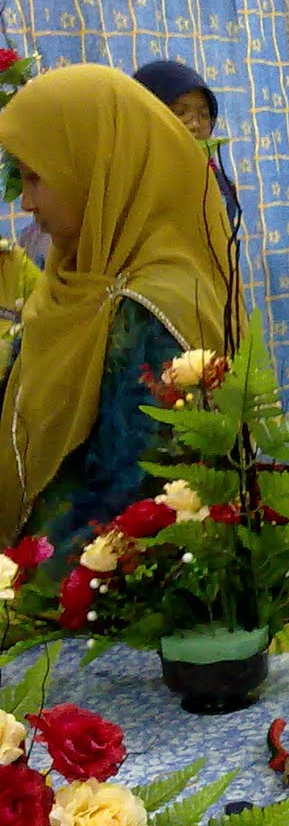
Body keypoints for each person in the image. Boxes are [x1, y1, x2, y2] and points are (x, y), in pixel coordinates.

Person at [0, 64, 230, 557]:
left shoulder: (151, 307)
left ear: (98, 169)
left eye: (37, 178)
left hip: (99, 591)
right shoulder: (71, 276)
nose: (25, 203)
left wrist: (21, 582)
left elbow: (139, 500)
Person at [132, 59, 240, 223]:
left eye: (204, 115)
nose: (195, 124)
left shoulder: (218, 180)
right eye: (180, 112)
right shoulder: (131, 183)